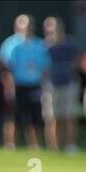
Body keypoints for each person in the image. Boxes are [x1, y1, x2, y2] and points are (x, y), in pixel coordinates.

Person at [1, 14, 50, 149]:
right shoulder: (11, 44)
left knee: (34, 117)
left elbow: (45, 68)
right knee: (13, 117)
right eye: (23, 25)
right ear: (17, 26)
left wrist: (43, 86)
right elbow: (6, 67)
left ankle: (34, 146)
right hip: (17, 86)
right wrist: (10, 86)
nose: (26, 28)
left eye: (29, 25)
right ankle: (10, 145)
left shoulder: (39, 45)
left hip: (34, 85)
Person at [42, 17, 80, 152]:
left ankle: (70, 146)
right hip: (50, 86)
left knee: (69, 116)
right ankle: (54, 148)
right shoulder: (44, 46)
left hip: (69, 84)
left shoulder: (70, 43)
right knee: (52, 117)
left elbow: (77, 64)